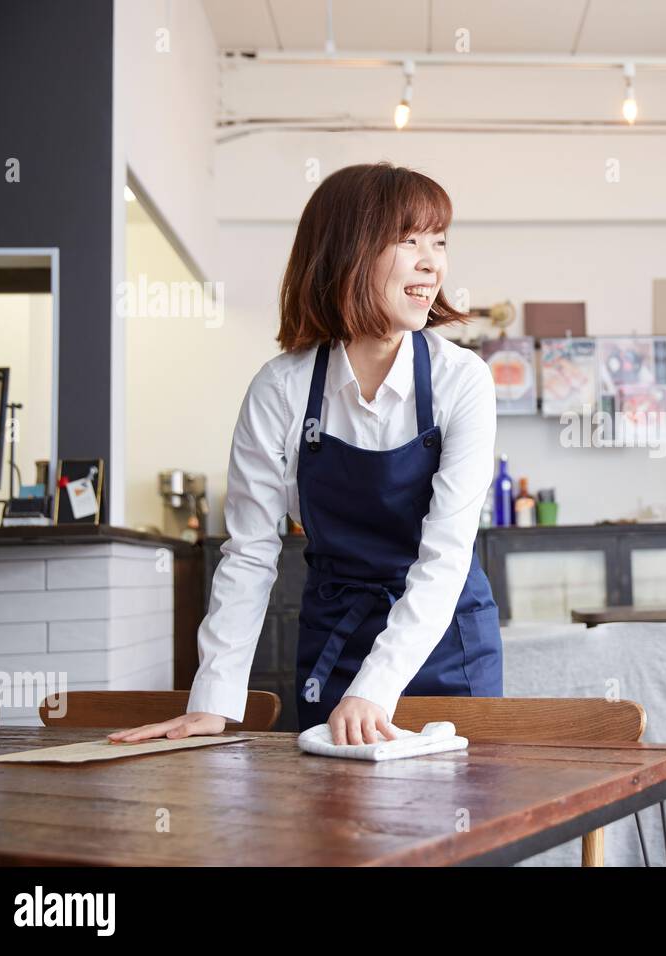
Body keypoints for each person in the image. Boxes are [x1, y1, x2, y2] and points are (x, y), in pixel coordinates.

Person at [109, 163, 502, 747]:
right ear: (347, 251)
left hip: (446, 646)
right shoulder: (281, 388)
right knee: (334, 828)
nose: (432, 262)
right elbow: (249, 554)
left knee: (461, 823)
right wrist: (214, 700)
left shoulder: (461, 380)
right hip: (335, 644)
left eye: (439, 241)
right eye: (408, 240)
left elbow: (445, 557)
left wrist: (376, 687)